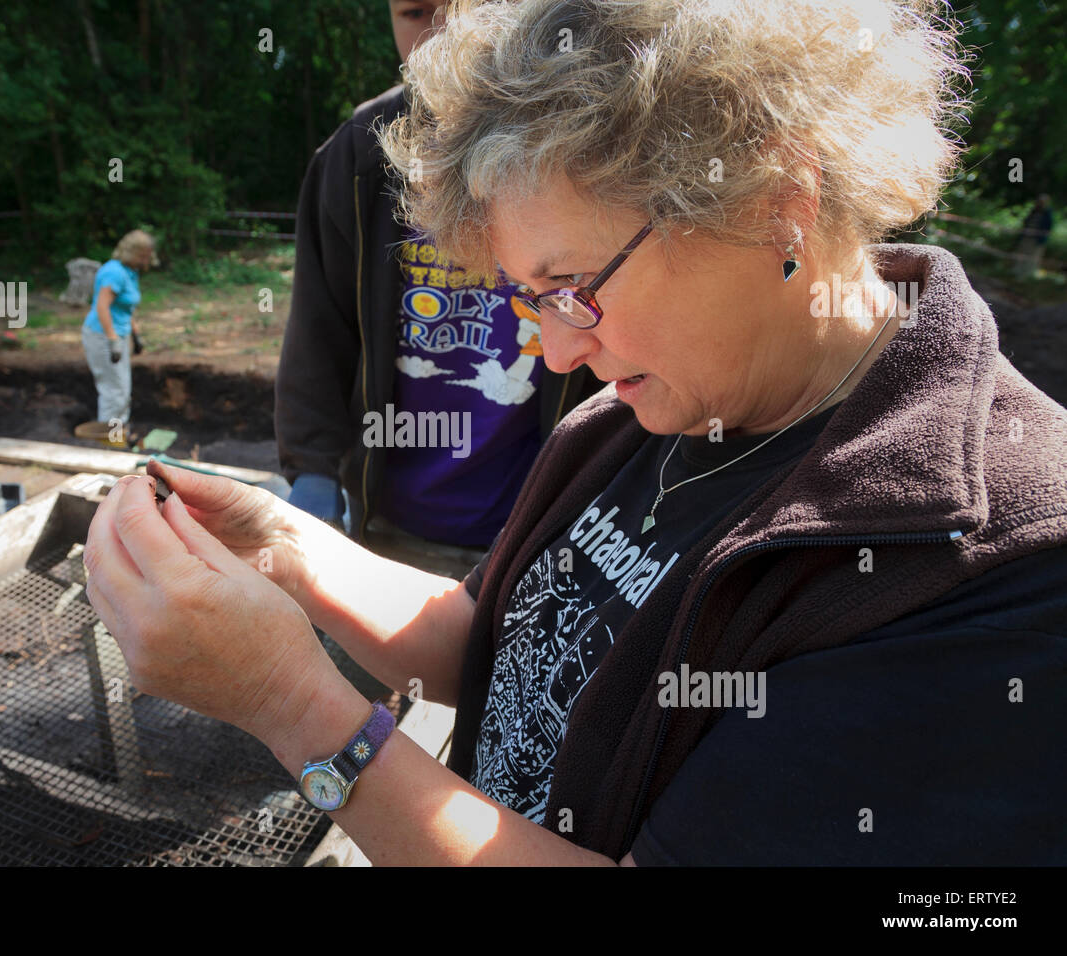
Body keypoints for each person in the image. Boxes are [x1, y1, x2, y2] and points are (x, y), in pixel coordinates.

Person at [84, 0, 1067, 864]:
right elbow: (489, 641)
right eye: (525, 296)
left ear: (779, 204)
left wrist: (291, 705)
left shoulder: (995, 560)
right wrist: (282, 545)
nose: (554, 353)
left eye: (574, 289)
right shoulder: (640, 409)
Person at [275, 0, 598, 546]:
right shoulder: (356, 160)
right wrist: (313, 469)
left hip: (534, 533)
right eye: (417, 12)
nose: (449, 34)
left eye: (471, 7)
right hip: (385, 524)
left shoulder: (584, 143)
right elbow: (317, 329)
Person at [82, 230, 157, 435]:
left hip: (118, 335)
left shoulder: (129, 272)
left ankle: (118, 433)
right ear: (134, 252)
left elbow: (124, 307)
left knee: (122, 389)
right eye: (144, 255)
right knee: (114, 391)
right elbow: (102, 306)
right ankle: (109, 440)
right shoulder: (114, 272)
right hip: (102, 336)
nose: (148, 259)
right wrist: (112, 338)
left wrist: (135, 334)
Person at [1015, 194, 1053, 277]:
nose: (1040, 203)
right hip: (1026, 237)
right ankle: (1018, 271)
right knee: (1022, 253)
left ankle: (1028, 274)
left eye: (1042, 202)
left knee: (1033, 257)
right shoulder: (1033, 211)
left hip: (1037, 239)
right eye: (1039, 201)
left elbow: (1048, 227)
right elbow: (1026, 222)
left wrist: (1042, 239)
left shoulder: (1048, 213)